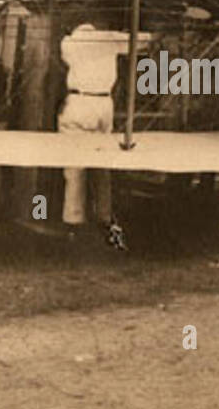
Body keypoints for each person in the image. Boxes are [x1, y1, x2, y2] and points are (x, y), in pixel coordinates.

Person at [58, 15, 153, 249]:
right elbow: (142, 42)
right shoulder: (110, 41)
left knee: (74, 166)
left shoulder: (69, 43)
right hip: (104, 103)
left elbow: (66, 56)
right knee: (102, 164)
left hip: (78, 101)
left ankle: (74, 221)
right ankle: (104, 216)